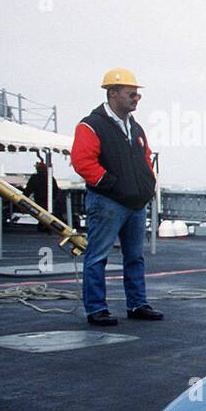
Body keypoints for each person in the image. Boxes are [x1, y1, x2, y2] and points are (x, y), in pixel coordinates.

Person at [70, 68, 163, 326]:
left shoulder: (136, 128)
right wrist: (113, 185)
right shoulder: (92, 125)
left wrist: (146, 185)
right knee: (98, 256)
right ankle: (96, 308)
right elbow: (83, 162)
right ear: (113, 94)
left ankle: (137, 303)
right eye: (131, 94)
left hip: (134, 203)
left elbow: (145, 159)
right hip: (108, 202)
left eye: (138, 95)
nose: (136, 99)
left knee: (135, 257)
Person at [20, 159, 64, 231]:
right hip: (47, 199)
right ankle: (45, 226)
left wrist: (24, 196)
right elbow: (55, 190)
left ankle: (43, 226)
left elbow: (29, 188)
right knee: (45, 213)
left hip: (40, 199)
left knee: (41, 213)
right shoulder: (50, 178)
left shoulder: (35, 178)